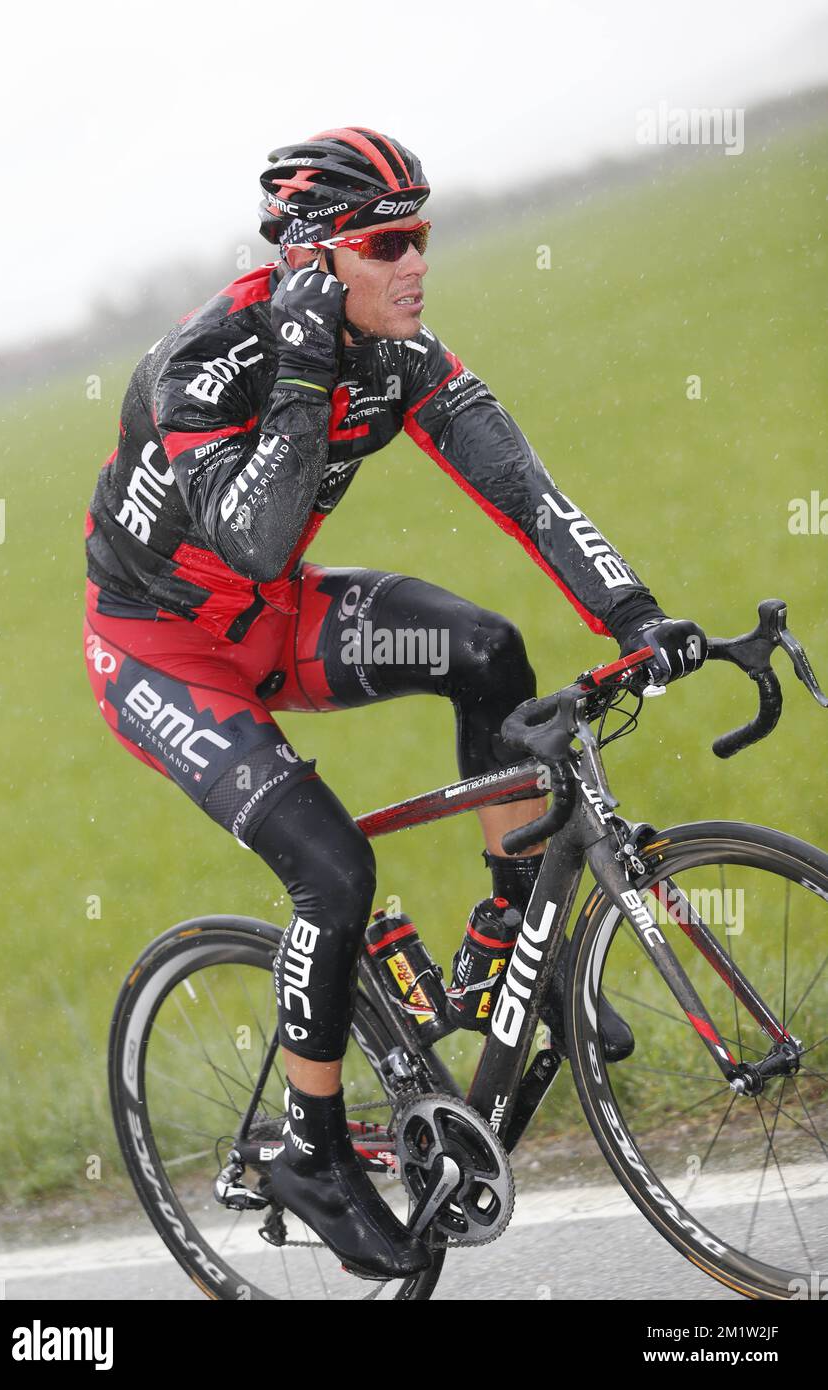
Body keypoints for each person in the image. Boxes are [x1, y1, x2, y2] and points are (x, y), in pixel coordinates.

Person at [83, 126, 706, 1280]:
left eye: (421, 236)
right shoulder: (205, 360)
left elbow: (521, 487)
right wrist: (308, 365)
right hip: (163, 653)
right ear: (320, 259)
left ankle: (511, 950)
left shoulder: (401, 350)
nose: (417, 263)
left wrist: (633, 614)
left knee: (484, 650)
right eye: (388, 243)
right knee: (331, 869)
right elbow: (255, 535)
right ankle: (313, 1151)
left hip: (273, 622)